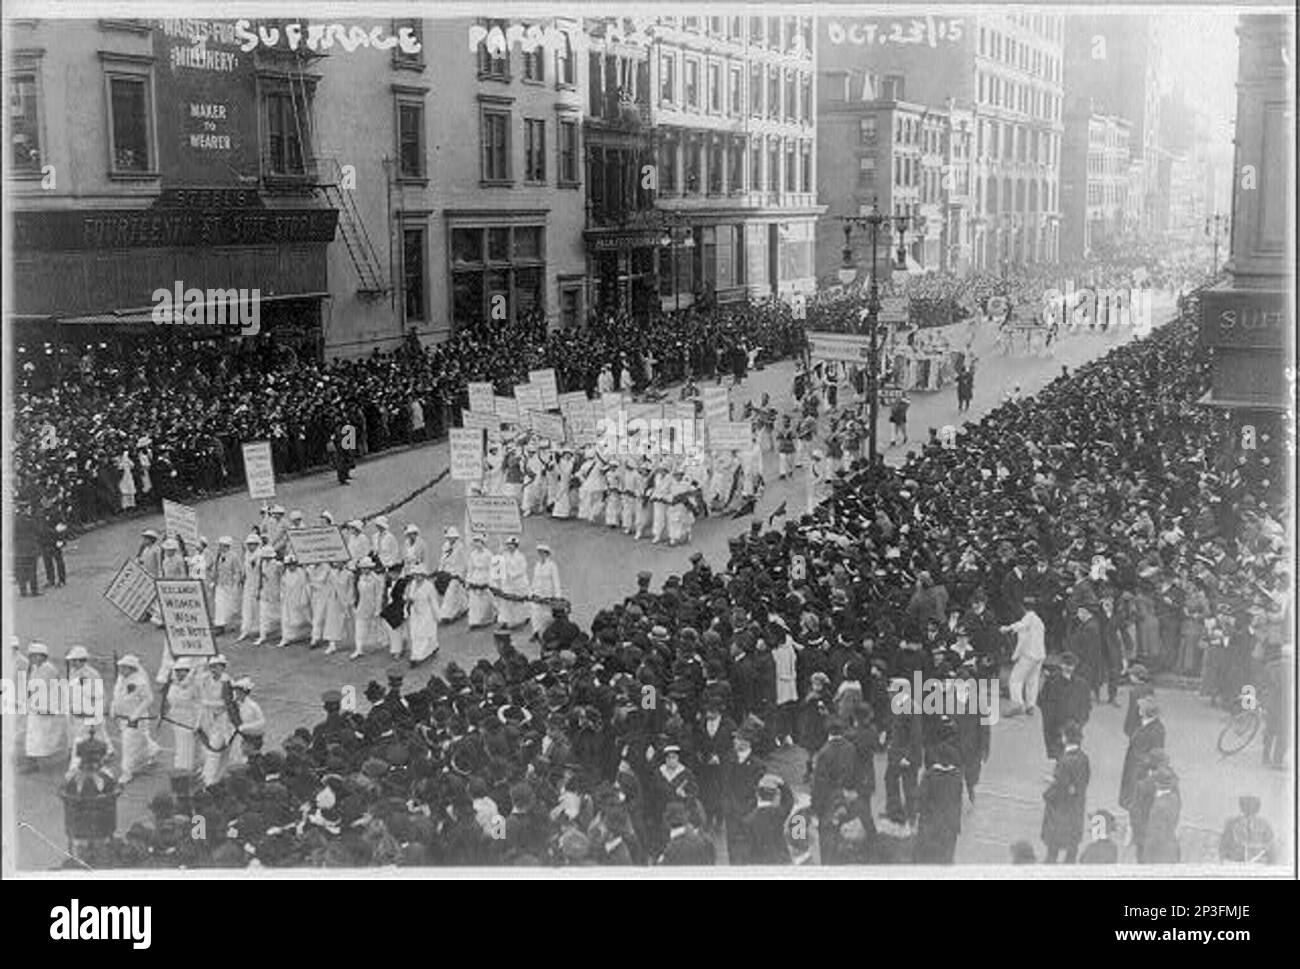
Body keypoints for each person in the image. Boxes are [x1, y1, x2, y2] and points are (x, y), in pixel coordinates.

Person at [1041, 721, 1090, 863]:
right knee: (1072, 848)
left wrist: (1047, 794)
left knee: (1053, 850)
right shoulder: (1083, 758)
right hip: (1076, 808)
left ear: (1065, 738)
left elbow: (1059, 788)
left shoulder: (1064, 761)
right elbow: (1084, 780)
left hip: (1060, 811)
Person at [112, 654, 161, 785]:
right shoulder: (120, 680)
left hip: (136, 719)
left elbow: (148, 699)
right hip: (123, 717)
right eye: (120, 667)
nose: (121, 670)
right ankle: (152, 750)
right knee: (140, 740)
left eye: (124, 668)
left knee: (128, 744)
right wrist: (114, 709)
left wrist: (136, 715)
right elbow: (116, 696)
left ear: (132, 668)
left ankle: (127, 772)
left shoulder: (140, 682)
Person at [912, 744, 963, 864]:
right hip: (949, 827)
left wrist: (916, 814)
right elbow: (958, 804)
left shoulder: (929, 776)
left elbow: (920, 800)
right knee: (946, 860)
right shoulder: (956, 778)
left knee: (926, 859)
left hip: (931, 825)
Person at [1038, 652, 1091, 760]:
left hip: (1073, 724)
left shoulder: (1082, 684)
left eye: (1071, 665)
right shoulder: (1051, 682)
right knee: (1059, 752)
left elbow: (1086, 705)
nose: (1068, 668)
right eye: (1066, 665)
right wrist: (1049, 719)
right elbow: (1042, 702)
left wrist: (1081, 721)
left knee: (1071, 752)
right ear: (1061, 665)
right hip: (1056, 724)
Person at [1003, 600, 1046, 715]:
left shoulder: (1029, 618)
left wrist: (1015, 656)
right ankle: (1030, 705)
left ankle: (1017, 705)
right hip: (1040, 655)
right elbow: (1020, 625)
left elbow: (1022, 635)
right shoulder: (1039, 621)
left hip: (1029, 654)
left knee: (1015, 679)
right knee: (1032, 680)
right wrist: (1010, 627)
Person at [1218, 795, 1275, 864]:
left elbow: (1271, 847)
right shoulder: (1231, 824)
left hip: (1259, 865)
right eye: (1246, 803)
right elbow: (1223, 847)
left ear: (1257, 807)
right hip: (1235, 865)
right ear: (1241, 806)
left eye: (1252, 803)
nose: (1249, 807)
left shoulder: (1264, 825)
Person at [405, 564, 440, 667]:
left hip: (426, 612)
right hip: (415, 613)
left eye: (420, 575)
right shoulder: (412, 585)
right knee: (415, 633)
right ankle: (418, 652)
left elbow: (433, 601)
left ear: (424, 575)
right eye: (415, 575)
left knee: (424, 633)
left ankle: (420, 655)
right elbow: (409, 597)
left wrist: (437, 615)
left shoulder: (429, 586)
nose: (417, 577)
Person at [352, 556, 385, 660]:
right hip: (362, 605)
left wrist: (378, 609)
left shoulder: (376, 579)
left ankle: (378, 642)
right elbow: (356, 592)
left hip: (372, 606)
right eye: (363, 568)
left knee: (374, 627)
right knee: (359, 626)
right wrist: (355, 603)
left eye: (367, 568)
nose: (365, 570)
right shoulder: (359, 578)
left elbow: (378, 595)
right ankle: (358, 648)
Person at [496, 536, 531, 629]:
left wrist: (513, 575)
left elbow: (522, 569)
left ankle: (520, 619)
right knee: (506, 602)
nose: (510, 547)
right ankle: (505, 620)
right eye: (508, 545)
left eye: (512, 545)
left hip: (518, 583)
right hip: (507, 583)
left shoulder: (520, 557)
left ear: (516, 546)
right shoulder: (504, 555)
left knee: (517, 602)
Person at [437, 527, 469, 623]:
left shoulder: (460, 548)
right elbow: (442, 560)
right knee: (456, 592)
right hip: (446, 572)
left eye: (452, 537)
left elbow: (464, 562)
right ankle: (463, 606)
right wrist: (440, 570)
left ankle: (446, 614)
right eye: (449, 537)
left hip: (456, 573)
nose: (450, 539)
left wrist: (460, 575)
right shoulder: (445, 546)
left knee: (451, 591)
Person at [466, 534, 496, 629]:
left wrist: (490, 581)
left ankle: (486, 618)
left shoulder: (488, 554)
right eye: (475, 541)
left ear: (483, 543)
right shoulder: (472, 554)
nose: (476, 544)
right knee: (474, 600)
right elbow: (470, 568)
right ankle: (474, 620)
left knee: (486, 599)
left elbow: (492, 568)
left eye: (478, 541)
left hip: (485, 576)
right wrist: (468, 579)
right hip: (475, 576)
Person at [236, 534, 262, 643]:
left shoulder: (260, 554)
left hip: (257, 583)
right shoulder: (246, 554)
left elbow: (261, 572)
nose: (251, 546)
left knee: (257, 608)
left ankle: (258, 629)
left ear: (257, 544)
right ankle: (245, 630)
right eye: (249, 544)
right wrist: (242, 577)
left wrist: (260, 587)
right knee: (246, 607)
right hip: (248, 584)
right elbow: (245, 569)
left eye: (253, 544)